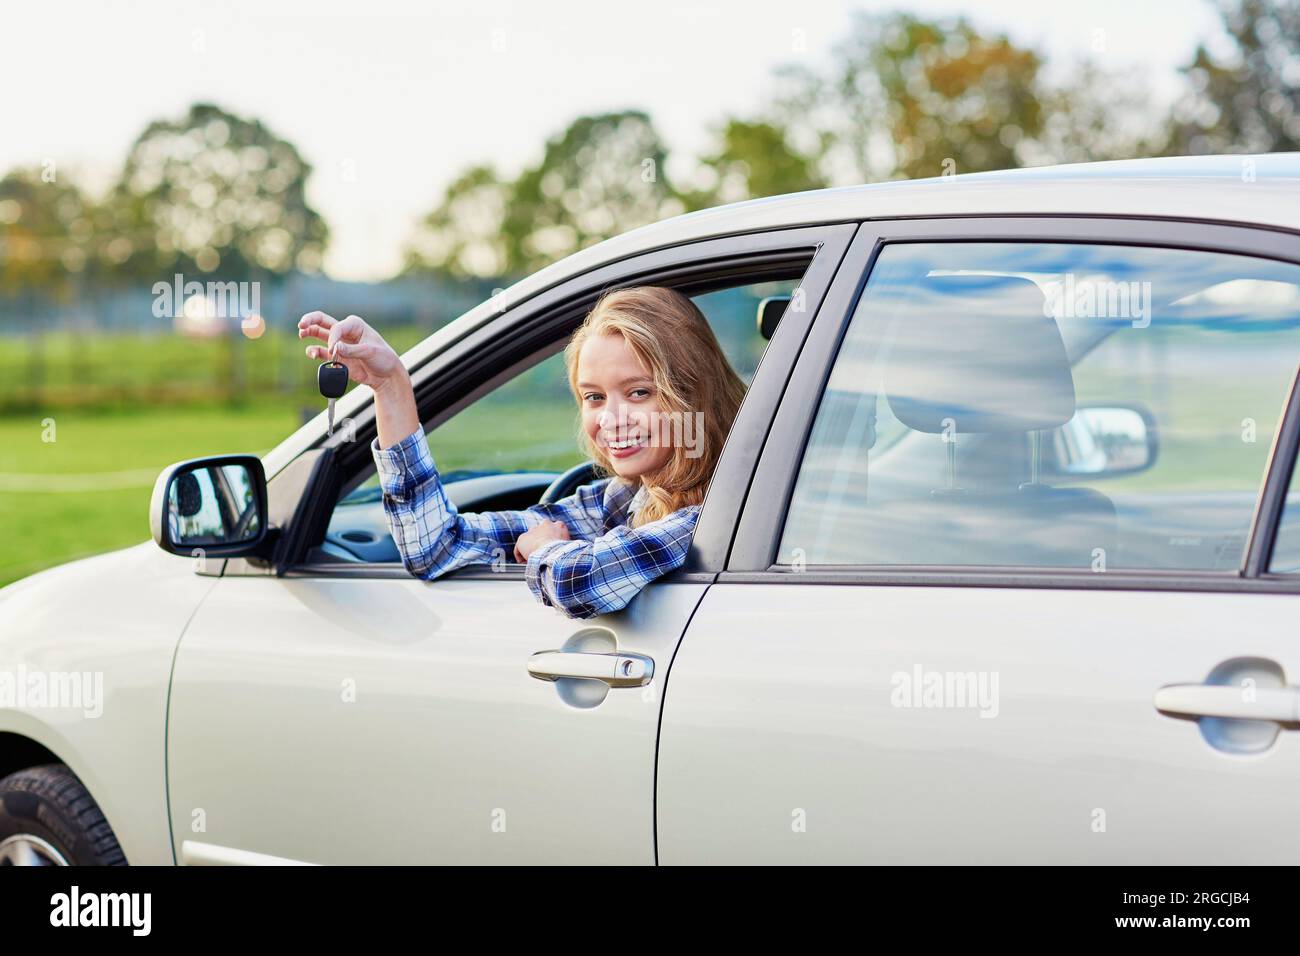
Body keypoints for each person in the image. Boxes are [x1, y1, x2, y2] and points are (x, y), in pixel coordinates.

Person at [299, 286, 746, 618]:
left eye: (639, 392)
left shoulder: (717, 511)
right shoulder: (623, 500)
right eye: (593, 397)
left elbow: (581, 582)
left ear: (692, 394)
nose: (611, 419)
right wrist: (390, 386)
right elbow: (436, 546)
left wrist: (543, 551)